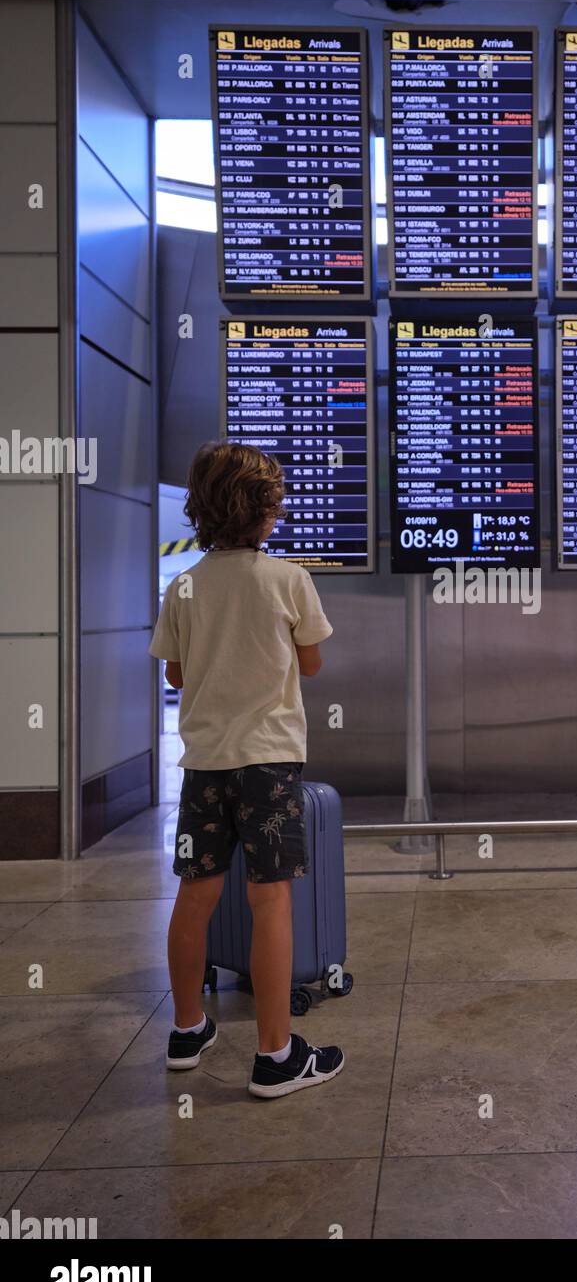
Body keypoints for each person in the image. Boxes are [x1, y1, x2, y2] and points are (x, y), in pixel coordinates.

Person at [149, 441, 344, 1099]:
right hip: (269, 765)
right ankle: (274, 1055)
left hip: (204, 765)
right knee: (271, 902)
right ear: (266, 512)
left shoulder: (184, 584)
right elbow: (310, 663)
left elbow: (175, 671)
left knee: (193, 898)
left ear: (200, 510)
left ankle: (185, 1030)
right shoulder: (288, 579)